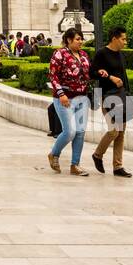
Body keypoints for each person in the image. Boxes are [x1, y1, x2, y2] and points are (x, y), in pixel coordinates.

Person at [45, 28, 92, 175]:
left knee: (80, 132)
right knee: (70, 131)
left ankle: (75, 165)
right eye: (78, 39)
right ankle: (54, 153)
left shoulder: (84, 55)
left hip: (82, 97)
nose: (80, 42)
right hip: (65, 98)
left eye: (81, 39)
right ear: (69, 40)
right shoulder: (59, 54)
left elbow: (88, 74)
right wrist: (61, 94)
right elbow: (53, 76)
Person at [91, 26, 133, 178]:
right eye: (123, 39)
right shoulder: (102, 53)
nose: (125, 42)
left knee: (121, 133)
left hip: (121, 97)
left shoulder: (121, 55)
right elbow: (92, 72)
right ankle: (97, 155)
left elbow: (124, 77)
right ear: (114, 38)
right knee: (113, 131)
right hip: (107, 97)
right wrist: (109, 77)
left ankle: (118, 166)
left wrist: (128, 95)